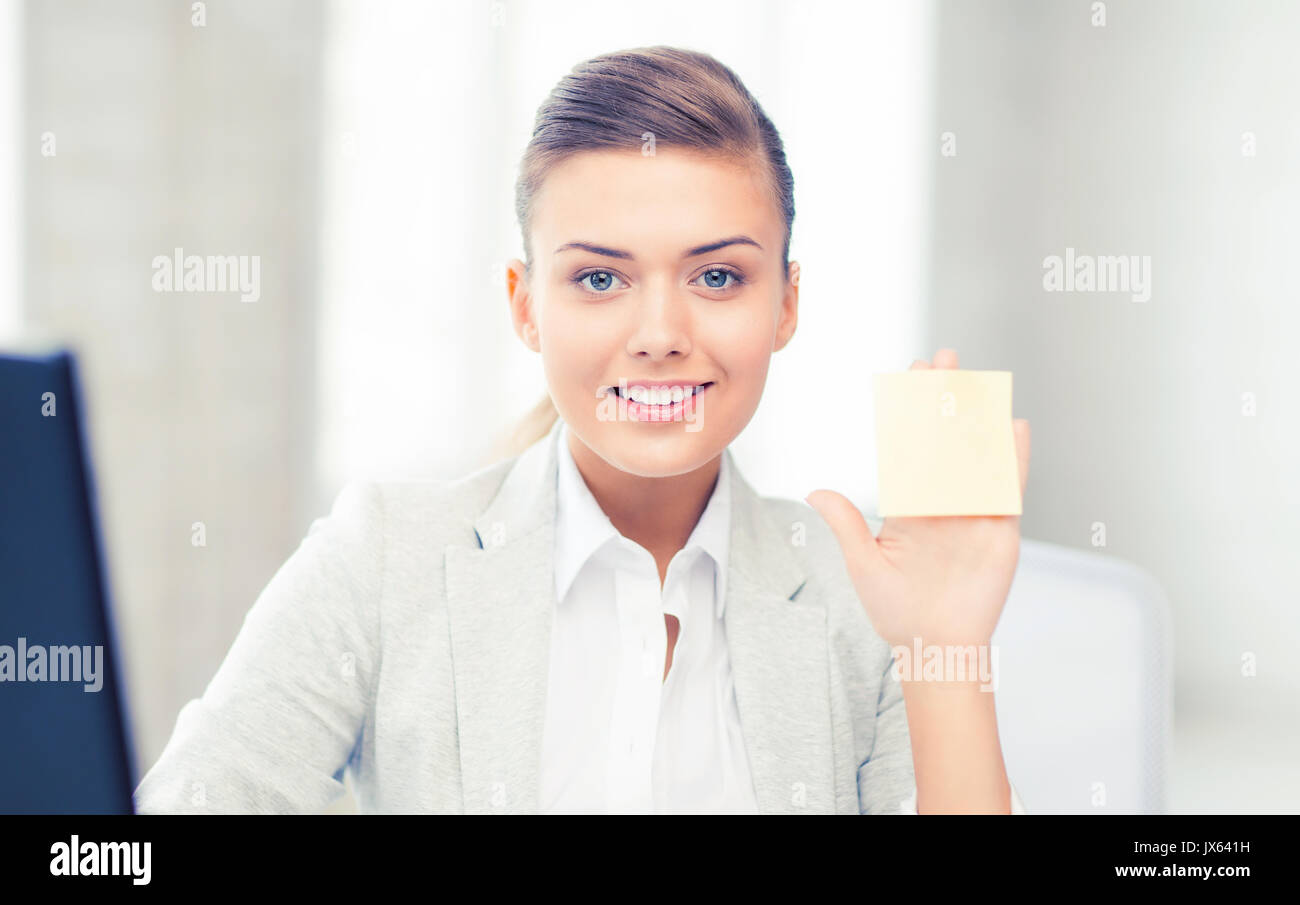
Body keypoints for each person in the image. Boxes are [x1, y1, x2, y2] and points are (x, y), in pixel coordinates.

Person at [134, 45, 1029, 814]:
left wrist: (945, 645)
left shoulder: (859, 601)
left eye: (717, 277)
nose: (660, 334)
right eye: (600, 280)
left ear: (787, 303)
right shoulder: (384, 558)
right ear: (526, 308)